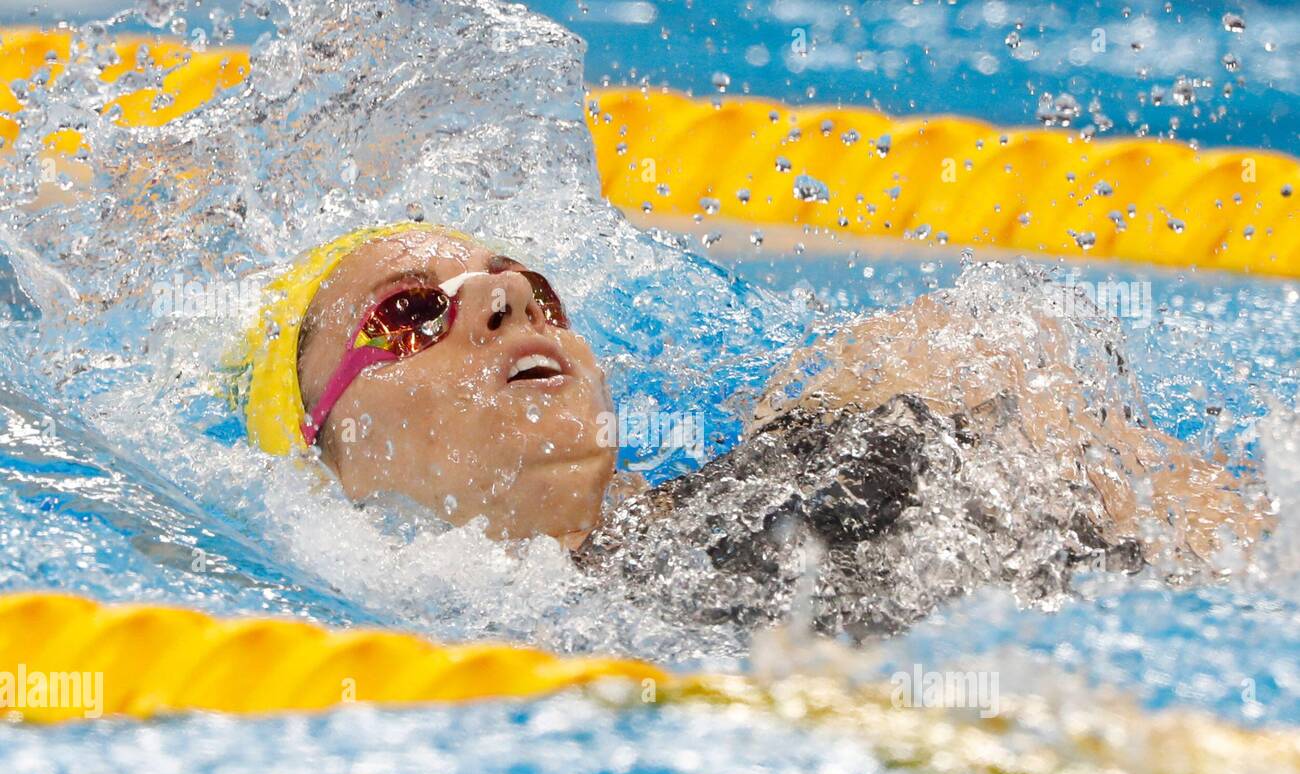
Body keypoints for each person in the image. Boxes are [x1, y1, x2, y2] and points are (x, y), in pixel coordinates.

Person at [233, 221, 1271, 637]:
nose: (501, 303)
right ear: (321, 450)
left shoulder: (829, 448)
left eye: (531, 289)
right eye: (410, 313)